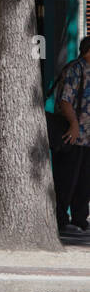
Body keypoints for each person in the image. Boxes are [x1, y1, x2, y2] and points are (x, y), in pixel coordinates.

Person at [54, 37, 90, 234]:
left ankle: (80, 219)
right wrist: (74, 124)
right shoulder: (75, 69)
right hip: (74, 136)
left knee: (85, 181)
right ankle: (61, 219)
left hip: (88, 137)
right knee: (67, 179)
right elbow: (65, 100)